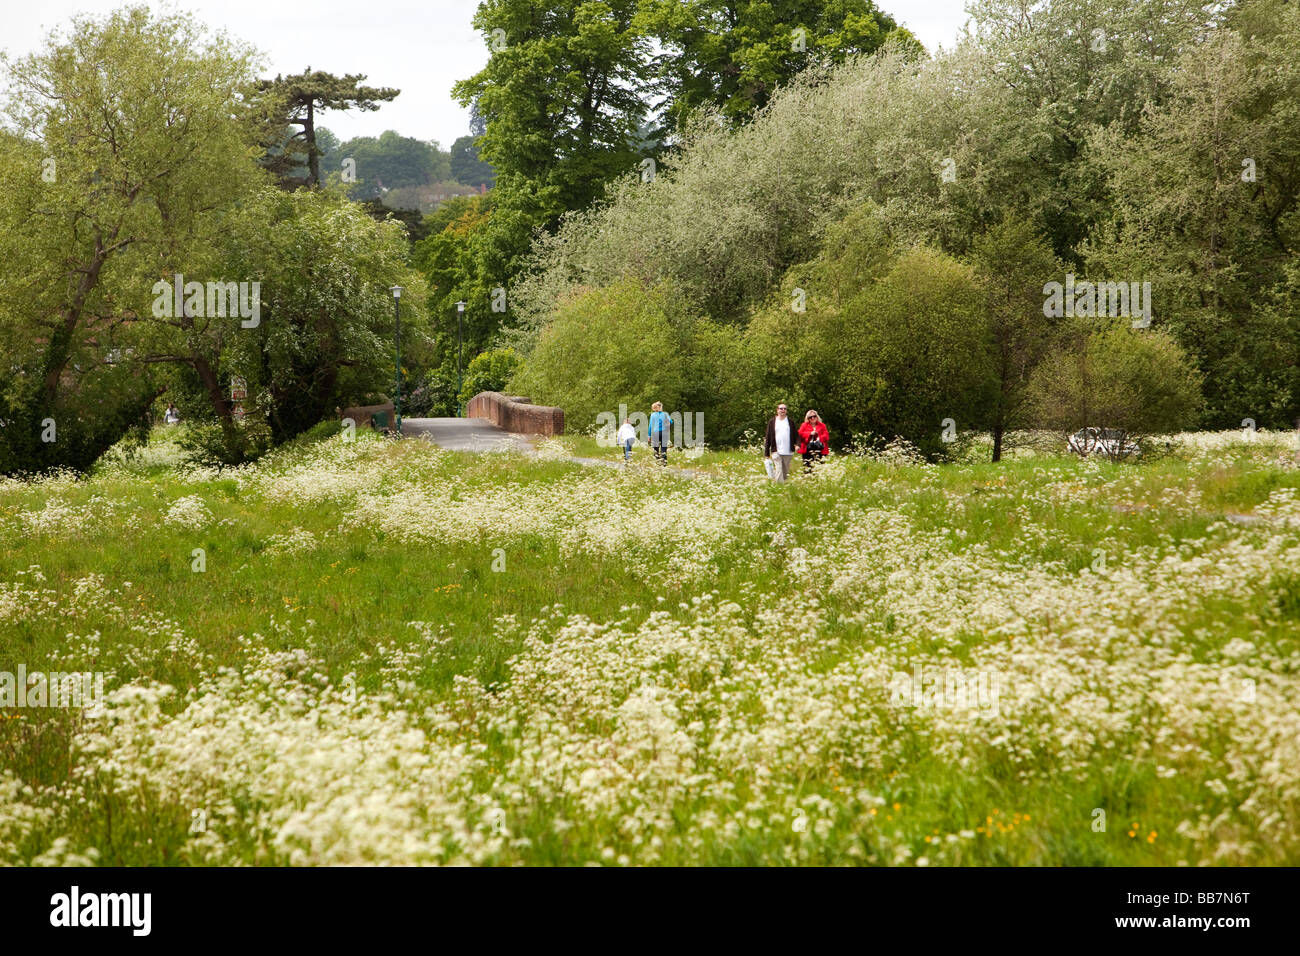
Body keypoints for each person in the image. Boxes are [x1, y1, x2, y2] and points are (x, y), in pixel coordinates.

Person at [763, 402, 797, 481]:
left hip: (788, 451)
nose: (783, 410)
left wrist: (797, 444)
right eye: (781, 408)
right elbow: (768, 437)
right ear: (777, 410)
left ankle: (783, 488)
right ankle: (779, 488)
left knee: (785, 472)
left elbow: (796, 435)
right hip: (776, 451)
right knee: (779, 470)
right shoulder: (772, 422)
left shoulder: (790, 422)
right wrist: (766, 453)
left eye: (785, 409)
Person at [647, 401, 671, 465]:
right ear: (661, 407)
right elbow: (671, 422)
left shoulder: (653, 415)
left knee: (656, 449)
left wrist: (649, 436)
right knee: (664, 449)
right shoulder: (665, 414)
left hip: (656, 433)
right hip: (664, 433)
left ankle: (657, 463)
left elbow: (650, 426)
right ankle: (664, 464)